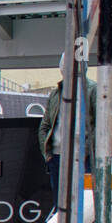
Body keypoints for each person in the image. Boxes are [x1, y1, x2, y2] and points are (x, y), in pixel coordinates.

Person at [39, 55, 97, 200]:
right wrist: (48, 156)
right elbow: (44, 126)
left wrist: (87, 150)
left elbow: (99, 125)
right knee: (61, 205)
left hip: (83, 157)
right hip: (58, 157)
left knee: (85, 202)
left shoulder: (92, 90)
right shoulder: (55, 93)